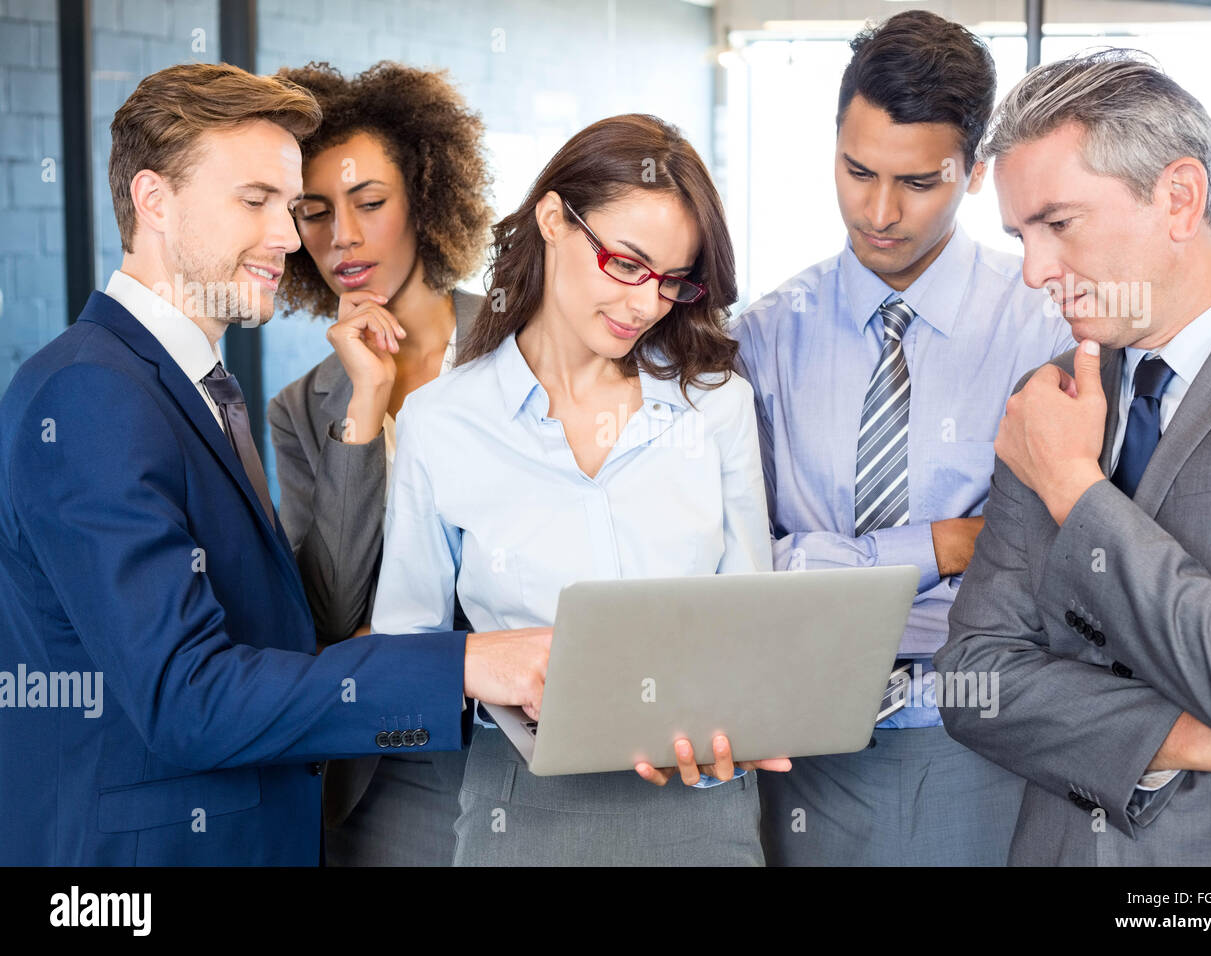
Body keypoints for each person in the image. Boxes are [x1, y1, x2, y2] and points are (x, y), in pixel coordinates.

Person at [0, 62, 548, 866]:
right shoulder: (94, 392)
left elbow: (275, 629)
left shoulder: (186, 387)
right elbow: (187, 698)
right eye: (255, 202)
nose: (295, 240)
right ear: (153, 201)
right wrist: (461, 663)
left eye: (288, 209)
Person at [371, 113, 791, 866]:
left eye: (670, 281)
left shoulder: (717, 404)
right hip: (522, 812)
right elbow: (404, 656)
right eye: (626, 265)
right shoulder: (442, 420)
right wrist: (487, 665)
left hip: (700, 808)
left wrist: (739, 725)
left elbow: (749, 617)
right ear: (554, 218)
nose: (644, 305)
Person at [934, 49, 1211, 866]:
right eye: (1020, 235)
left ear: (1178, 198)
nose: (1034, 272)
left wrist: (1072, 486)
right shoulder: (1054, 396)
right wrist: (1208, 743)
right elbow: (975, 679)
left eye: (1058, 224)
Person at [733, 11, 1074, 866]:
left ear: (974, 173)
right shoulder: (765, 336)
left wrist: (836, 559)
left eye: (918, 183)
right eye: (856, 172)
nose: (879, 212)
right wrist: (942, 545)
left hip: (982, 738)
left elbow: (1046, 562)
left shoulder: (1045, 328)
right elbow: (738, 565)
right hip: (794, 742)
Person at [267, 62, 492, 867]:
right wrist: (365, 408)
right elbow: (328, 611)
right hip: (386, 772)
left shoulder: (528, 343)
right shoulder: (303, 408)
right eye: (316, 214)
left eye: (369, 204)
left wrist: (394, 638)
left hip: (524, 743)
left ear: (425, 202)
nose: (343, 239)